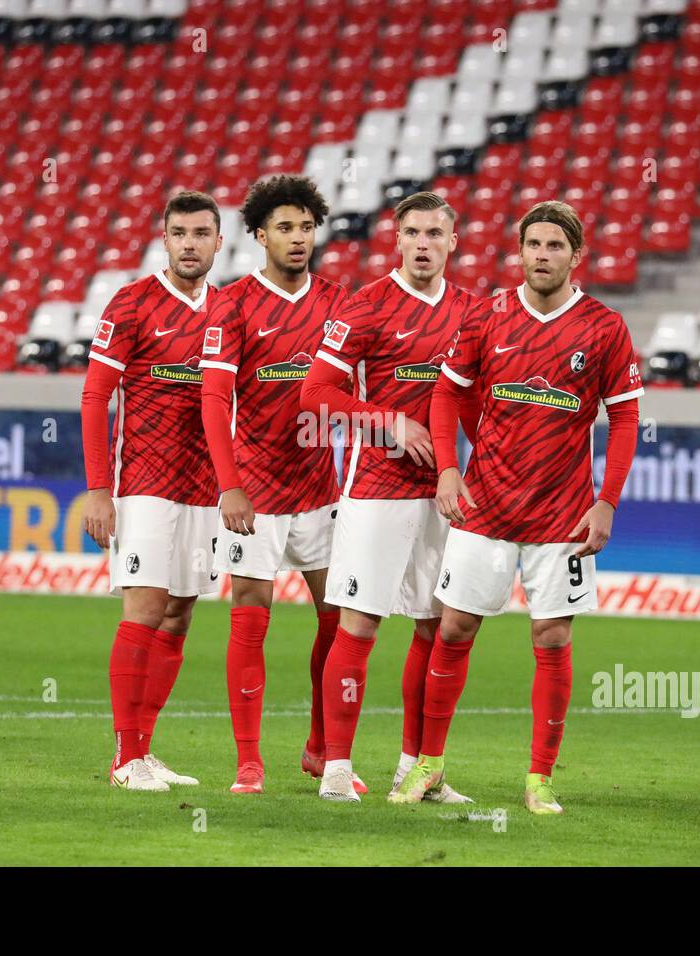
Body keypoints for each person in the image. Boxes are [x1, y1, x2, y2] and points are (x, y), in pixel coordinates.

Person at [389, 201, 643, 815]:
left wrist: (607, 502)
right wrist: (448, 469)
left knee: (552, 637)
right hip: (487, 506)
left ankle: (538, 780)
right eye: (534, 245)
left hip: (563, 516)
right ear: (520, 251)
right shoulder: (486, 317)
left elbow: (627, 416)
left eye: (556, 246)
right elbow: (446, 395)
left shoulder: (604, 327)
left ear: (576, 256)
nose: (543, 256)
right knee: (452, 628)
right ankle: (428, 764)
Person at [297, 191, 480, 803]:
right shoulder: (365, 306)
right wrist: (388, 423)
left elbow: (478, 405)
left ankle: (416, 770)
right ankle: (338, 771)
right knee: (360, 622)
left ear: (453, 241)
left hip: (445, 491)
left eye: (435, 233)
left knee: (436, 626)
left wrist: (480, 469)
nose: (424, 243)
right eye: (413, 233)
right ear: (396, 240)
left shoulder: (473, 313)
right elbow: (315, 395)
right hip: (376, 489)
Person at [199, 175, 348, 795]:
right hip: (255, 491)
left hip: (321, 490)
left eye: (306, 227)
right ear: (259, 236)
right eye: (285, 227)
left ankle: (322, 749)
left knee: (340, 621)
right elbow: (213, 399)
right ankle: (249, 761)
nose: (297, 238)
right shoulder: (231, 304)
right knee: (250, 617)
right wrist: (228, 485)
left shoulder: (341, 301)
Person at [80, 190, 223, 791]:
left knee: (180, 613)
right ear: (164, 239)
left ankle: (145, 750)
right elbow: (94, 397)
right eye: (180, 233)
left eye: (202, 234)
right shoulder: (133, 302)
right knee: (144, 608)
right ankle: (123, 759)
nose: (190, 244)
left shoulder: (227, 309)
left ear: (220, 242)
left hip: (205, 487)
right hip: (144, 485)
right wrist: (97, 490)